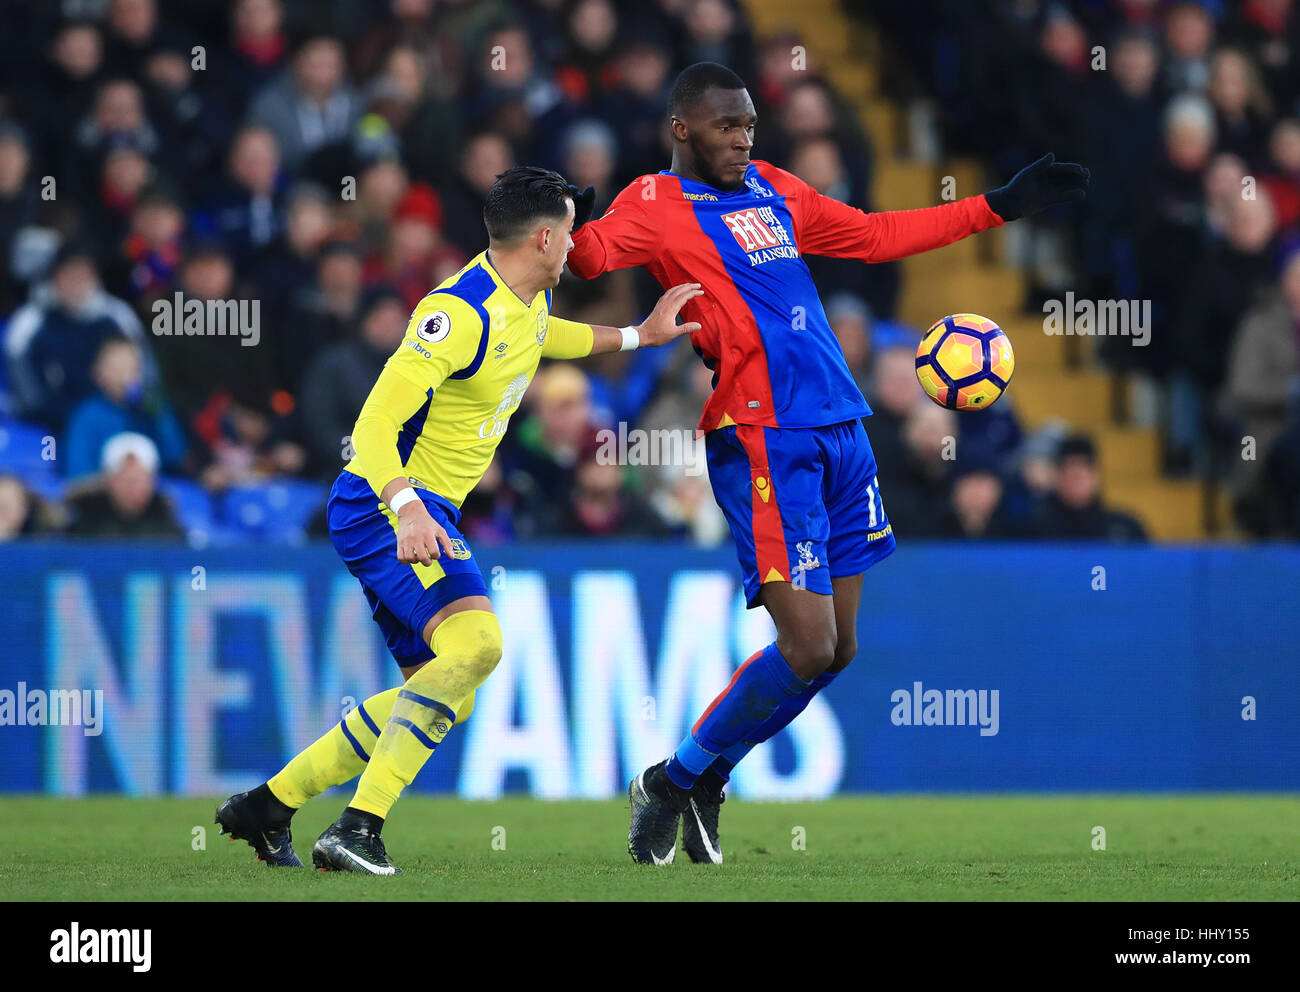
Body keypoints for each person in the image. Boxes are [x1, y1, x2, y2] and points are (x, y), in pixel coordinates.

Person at [563, 61, 1088, 865]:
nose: (743, 139)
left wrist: (996, 207)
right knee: (806, 645)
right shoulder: (655, 202)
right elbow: (589, 258)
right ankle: (671, 783)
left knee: (839, 649)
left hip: (843, 426)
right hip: (764, 435)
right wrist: (567, 224)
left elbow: (874, 236)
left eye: (749, 125)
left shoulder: (773, 187)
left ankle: (698, 778)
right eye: (726, 126)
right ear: (682, 128)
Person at [214, 166, 703, 874]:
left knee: (449, 691)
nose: (578, 242)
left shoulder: (526, 299)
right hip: (386, 504)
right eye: (571, 230)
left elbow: (546, 337)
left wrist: (637, 336)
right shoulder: (456, 313)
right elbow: (372, 426)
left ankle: (269, 805)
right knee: (477, 645)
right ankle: (357, 829)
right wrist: (407, 507)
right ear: (544, 238)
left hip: (417, 509)